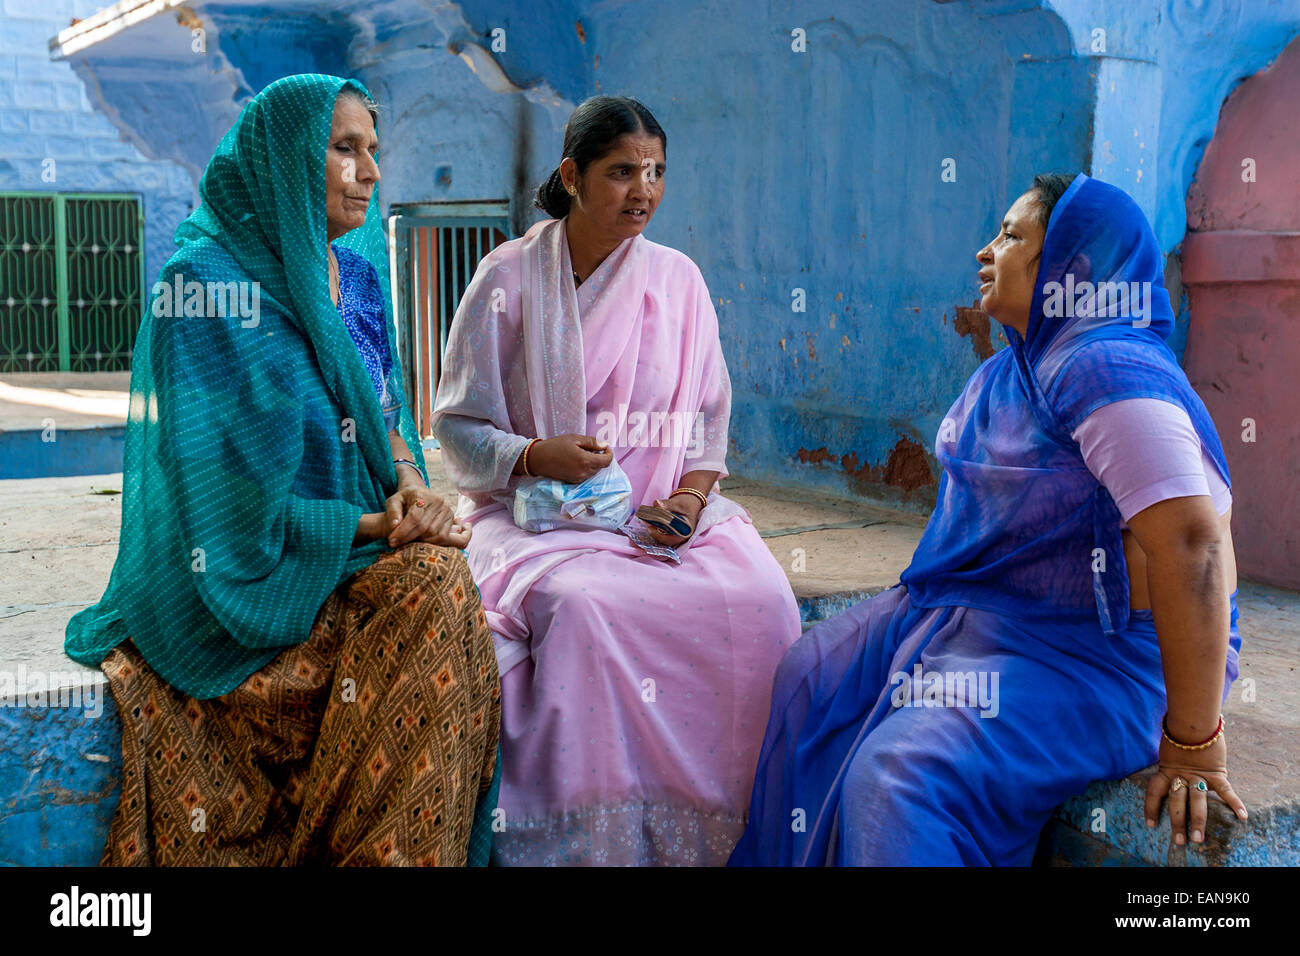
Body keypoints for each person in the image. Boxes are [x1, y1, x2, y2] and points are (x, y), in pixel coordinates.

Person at [729, 172, 1247, 866]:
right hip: (993, 619)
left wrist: (1194, 745)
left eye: (1010, 236)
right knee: (810, 675)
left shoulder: (1108, 369)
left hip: (1098, 657)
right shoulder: (1017, 370)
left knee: (898, 780)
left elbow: (1192, 543)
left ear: (1074, 268)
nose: (984, 250)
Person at [64, 74, 501, 867]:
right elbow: (222, 517)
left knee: (444, 585)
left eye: (374, 150)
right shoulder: (202, 293)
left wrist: (412, 492)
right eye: (344, 149)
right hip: (240, 593)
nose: (370, 171)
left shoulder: (357, 279)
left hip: (350, 561)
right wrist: (376, 525)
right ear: (284, 158)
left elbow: (387, 423)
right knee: (435, 592)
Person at [432, 96, 802, 865]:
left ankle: (730, 823)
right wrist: (537, 456)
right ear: (572, 175)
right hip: (537, 518)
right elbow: (457, 428)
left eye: (657, 171)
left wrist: (690, 501)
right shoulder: (506, 279)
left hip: (662, 521)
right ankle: (600, 837)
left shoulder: (678, 280)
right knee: (585, 605)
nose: (645, 190)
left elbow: (706, 421)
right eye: (623, 171)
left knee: (763, 600)